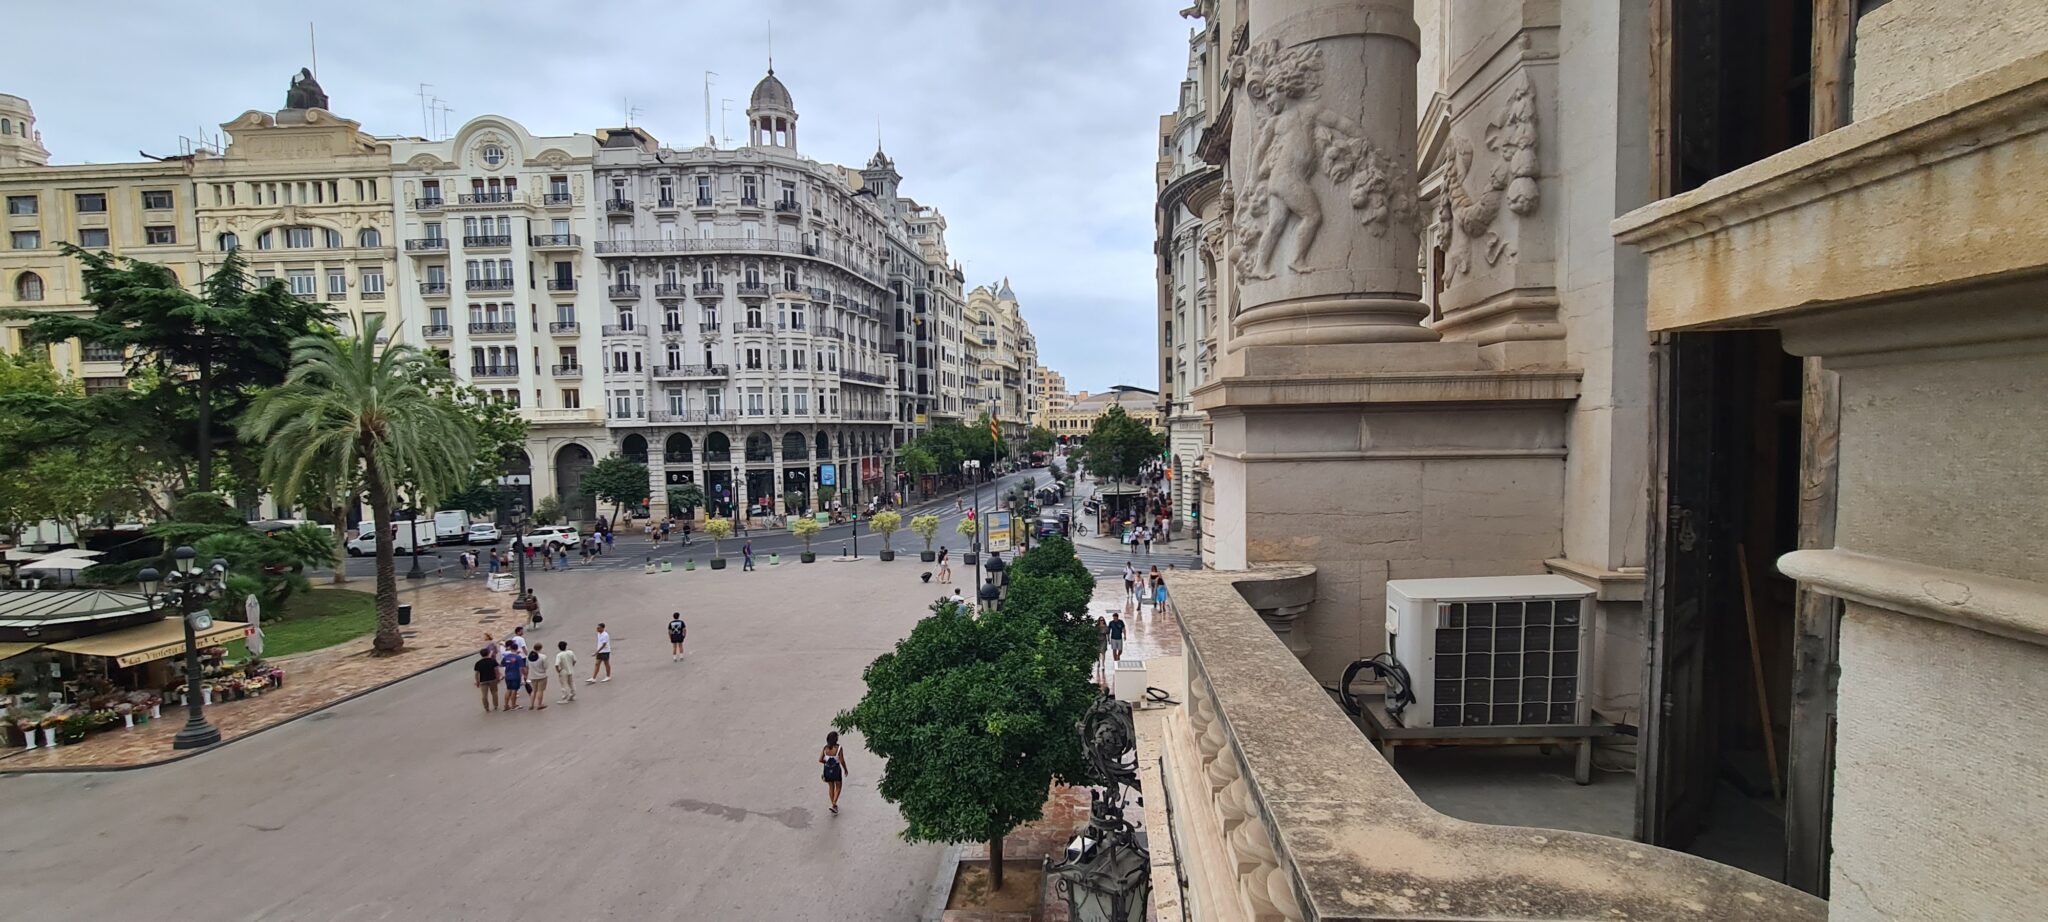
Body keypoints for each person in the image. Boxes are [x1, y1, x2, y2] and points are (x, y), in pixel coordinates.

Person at [820, 731, 849, 815]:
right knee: (838, 787)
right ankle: (834, 804)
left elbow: (820, 759)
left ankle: (834, 804)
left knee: (831, 787)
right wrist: (845, 769)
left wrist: (828, 762)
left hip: (827, 770)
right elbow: (842, 760)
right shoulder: (839, 748)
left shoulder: (825, 748)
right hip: (836, 770)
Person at [500, 643, 527, 710]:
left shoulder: (506, 657)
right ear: (517, 648)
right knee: (514, 690)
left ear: (510, 649)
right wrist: (524, 675)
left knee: (508, 689)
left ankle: (506, 705)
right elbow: (521, 667)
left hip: (508, 675)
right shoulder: (518, 657)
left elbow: (502, 664)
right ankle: (513, 705)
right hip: (515, 675)